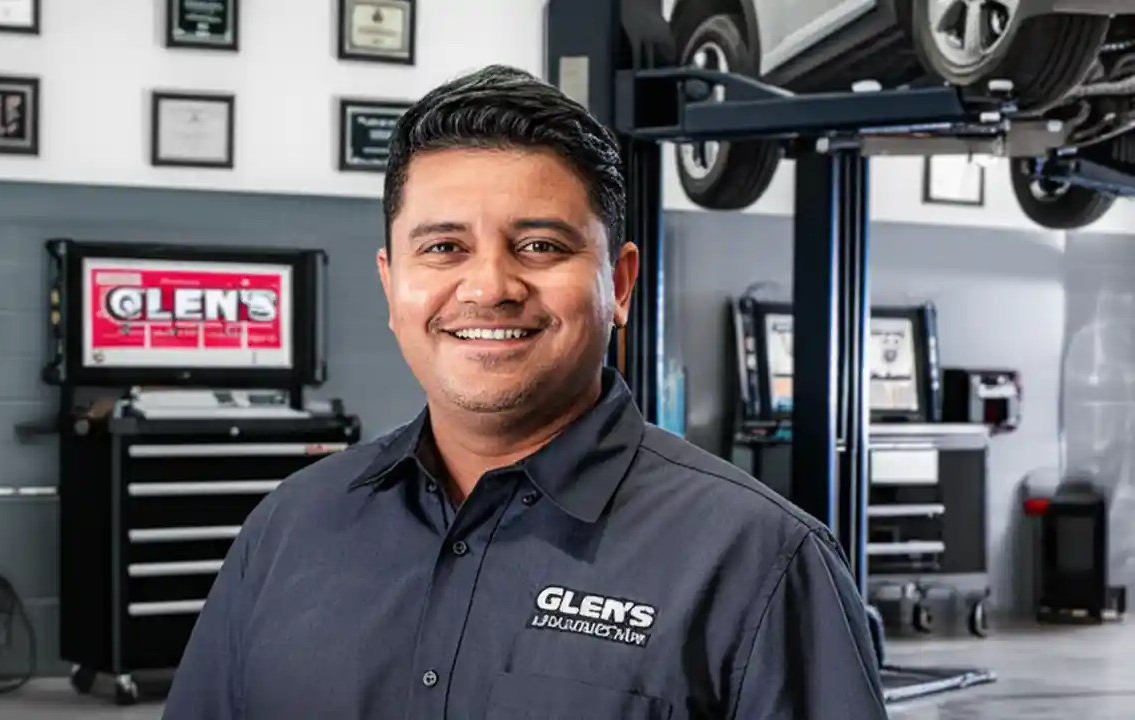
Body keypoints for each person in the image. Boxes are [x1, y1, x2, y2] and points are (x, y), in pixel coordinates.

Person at [162, 64, 887, 720]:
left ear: (621, 284)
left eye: (540, 246)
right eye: (443, 247)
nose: (489, 288)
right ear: (392, 285)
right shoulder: (289, 530)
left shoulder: (758, 560)